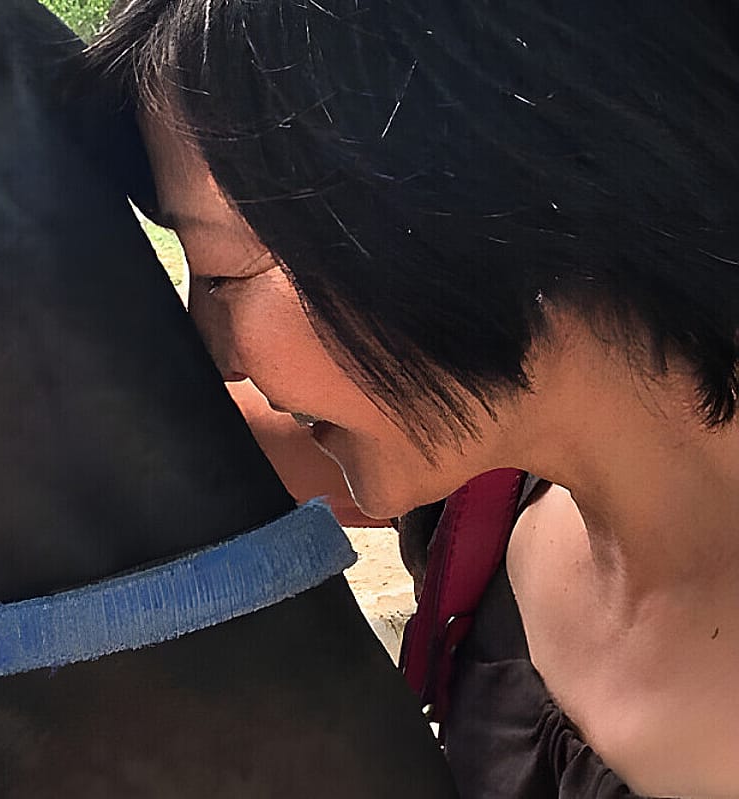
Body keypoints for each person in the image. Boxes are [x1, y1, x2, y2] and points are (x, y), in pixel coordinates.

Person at [88, 1, 739, 796]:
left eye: (222, 273)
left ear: (470, 210)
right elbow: (144, 431)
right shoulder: (488, 498)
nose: (214, 353)